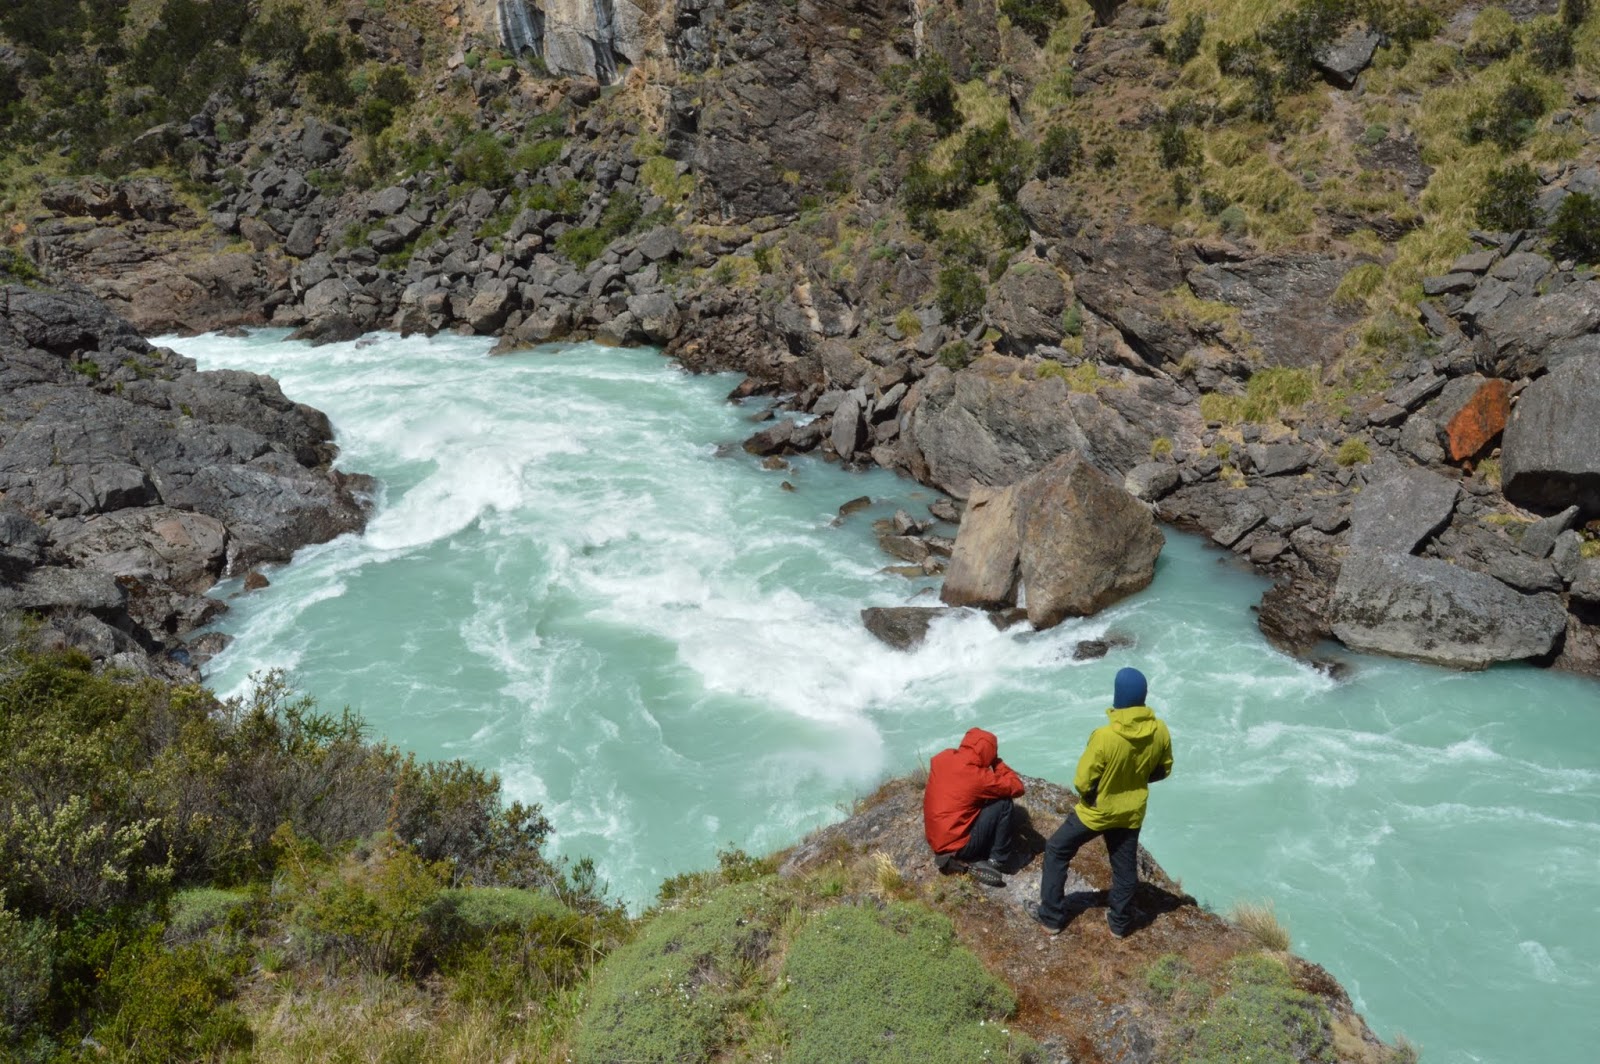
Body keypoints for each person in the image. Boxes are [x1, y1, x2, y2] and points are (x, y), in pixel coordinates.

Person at [1033, 667, 1173, 937]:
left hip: (1096, 813)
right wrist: (1134, 782)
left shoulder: (1105, 736)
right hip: (1131, 812)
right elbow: (1163, 769)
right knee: (1124, 869)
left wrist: (1094, 794)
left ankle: (1051, 917)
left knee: (1057, 850)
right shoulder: (1160, 731)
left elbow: (1083, 781)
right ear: (1143, 696)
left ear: (1118, 695)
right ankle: (1119, 924)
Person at [923, 727, 1026, 887]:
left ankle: (953, 859)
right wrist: (997, 762)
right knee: (1004, 803)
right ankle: (997, 860)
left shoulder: (942, 758)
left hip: (937, 840)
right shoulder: (979, 778)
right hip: (959, 844)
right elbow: (1017, 787)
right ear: (988, 752)